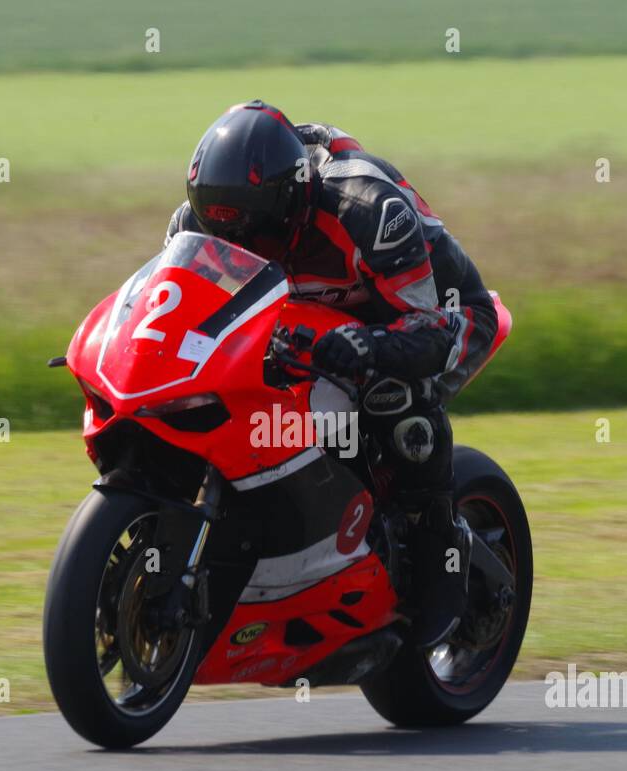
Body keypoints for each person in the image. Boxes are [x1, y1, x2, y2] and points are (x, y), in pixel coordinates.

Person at [165, 100, 499, 647]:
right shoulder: (198, 221)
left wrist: (367, 344)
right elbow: (175, 306)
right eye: (223, 229)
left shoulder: (365, 207)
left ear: (292, 203)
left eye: (256, 234)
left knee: (390, 394)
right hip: (306, 320)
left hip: (435, 314)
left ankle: (439, 547)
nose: (240, 246)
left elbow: (429, 326)